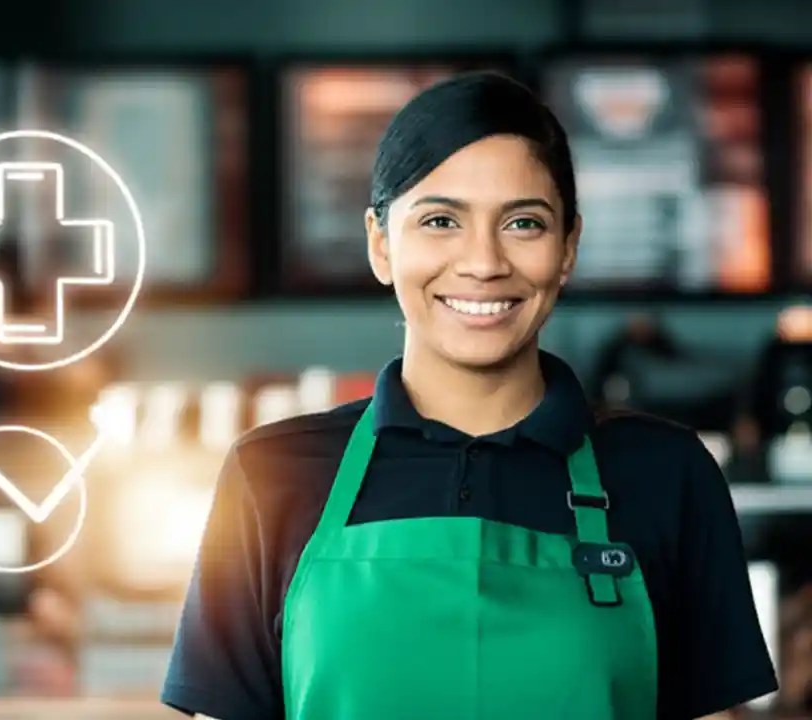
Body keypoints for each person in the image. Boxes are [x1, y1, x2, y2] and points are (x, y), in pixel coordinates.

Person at [162, 72, 777, 720]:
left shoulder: (668, 476)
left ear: (567, 248)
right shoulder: (269, 477)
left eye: (522, 223)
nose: (483, 262)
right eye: (440, 220)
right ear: (380, 244)